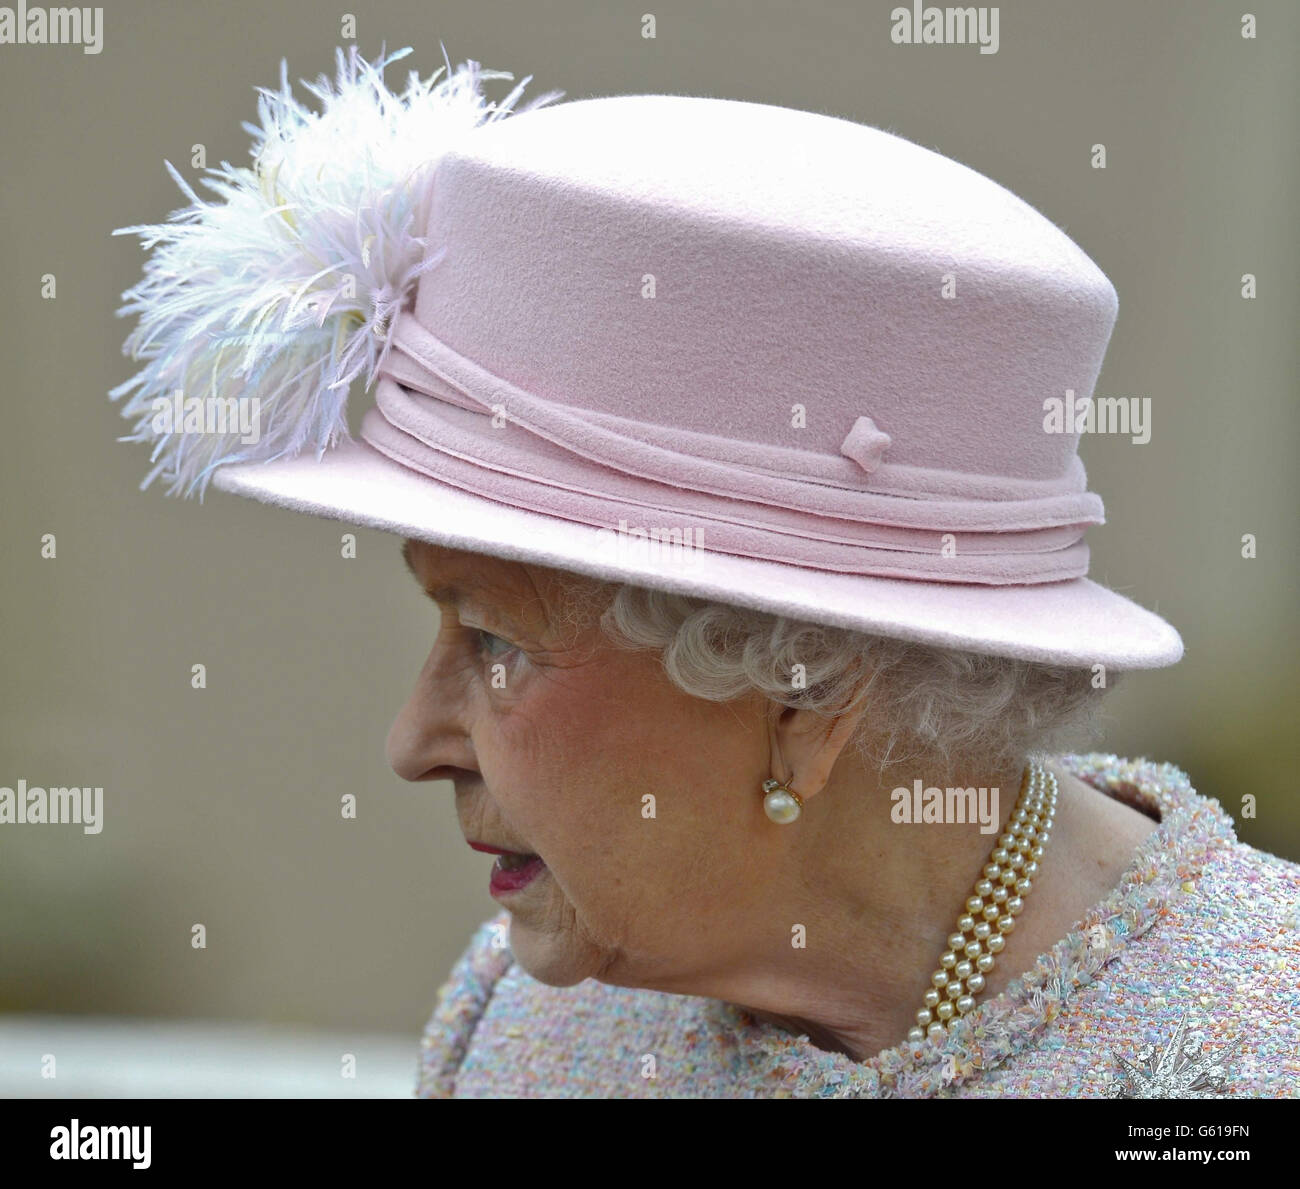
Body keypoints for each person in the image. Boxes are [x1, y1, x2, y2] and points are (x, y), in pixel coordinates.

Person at [111, 47, 1299, 1097]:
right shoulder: (526, 1028)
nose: (413, 739)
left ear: (802, 693)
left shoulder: (1255, 1047)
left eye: (493, 642)